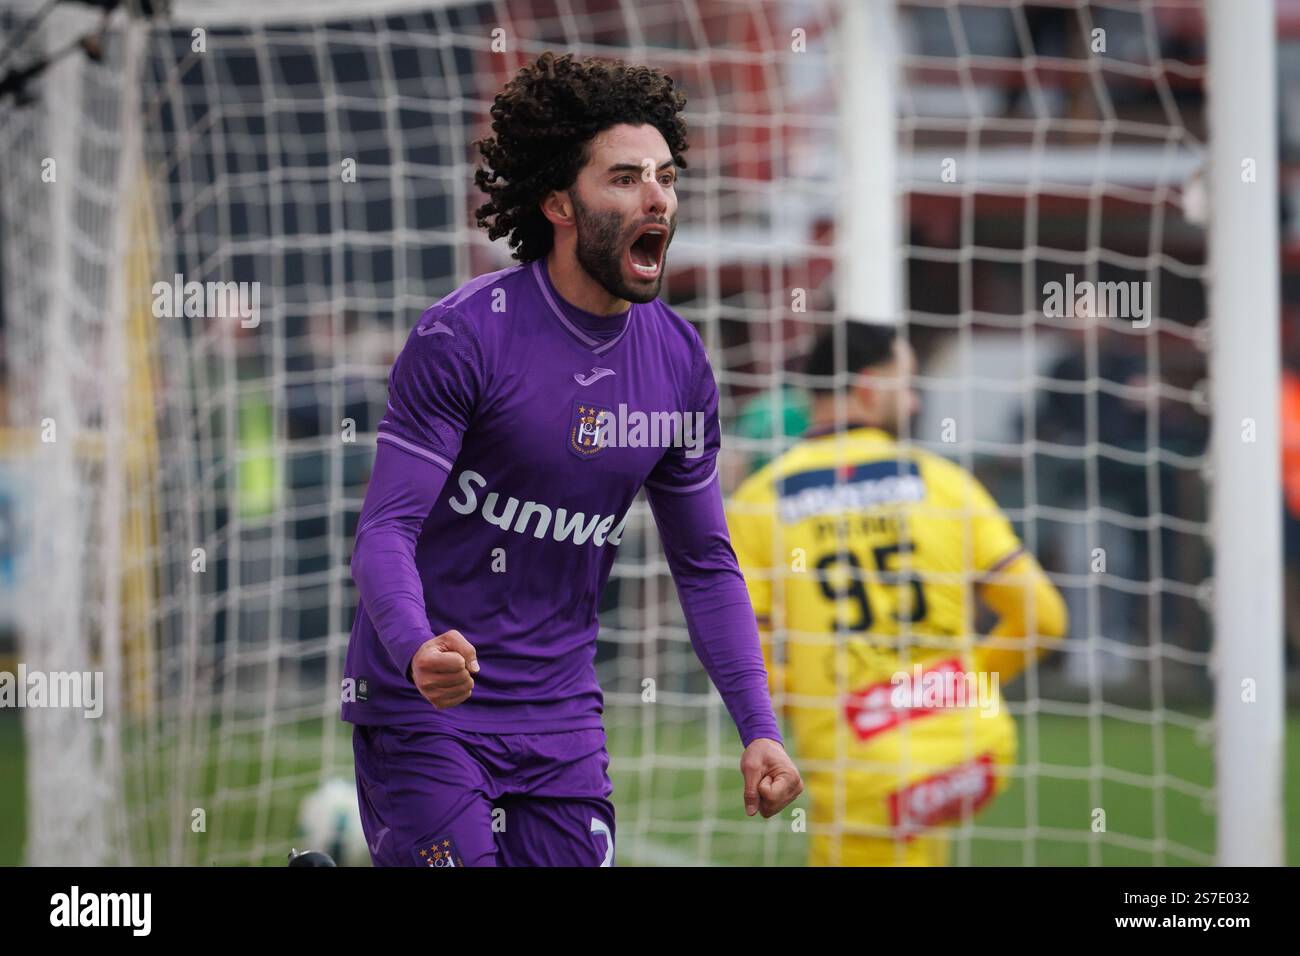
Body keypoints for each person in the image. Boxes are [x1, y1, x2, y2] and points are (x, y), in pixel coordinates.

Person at [341, 51, 801, 867]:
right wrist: (417, 647)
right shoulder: (464, 336)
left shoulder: (680, 363)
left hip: (560, 718)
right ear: (559, 202)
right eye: (624, 178)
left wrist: (758, 726)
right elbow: (385, 529)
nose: (657, 196)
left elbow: (704, 562)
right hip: (426, 703)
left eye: (665, 175)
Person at [728, 321, 1066, 865]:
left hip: (860, 764)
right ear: (869, 386)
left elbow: (750, 665)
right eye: (907, 384)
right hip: (970, 751)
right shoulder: (945, 482)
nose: (911, 403)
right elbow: (1043, 619)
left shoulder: (758, 502)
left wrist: (838, 705)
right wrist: (940, 689)